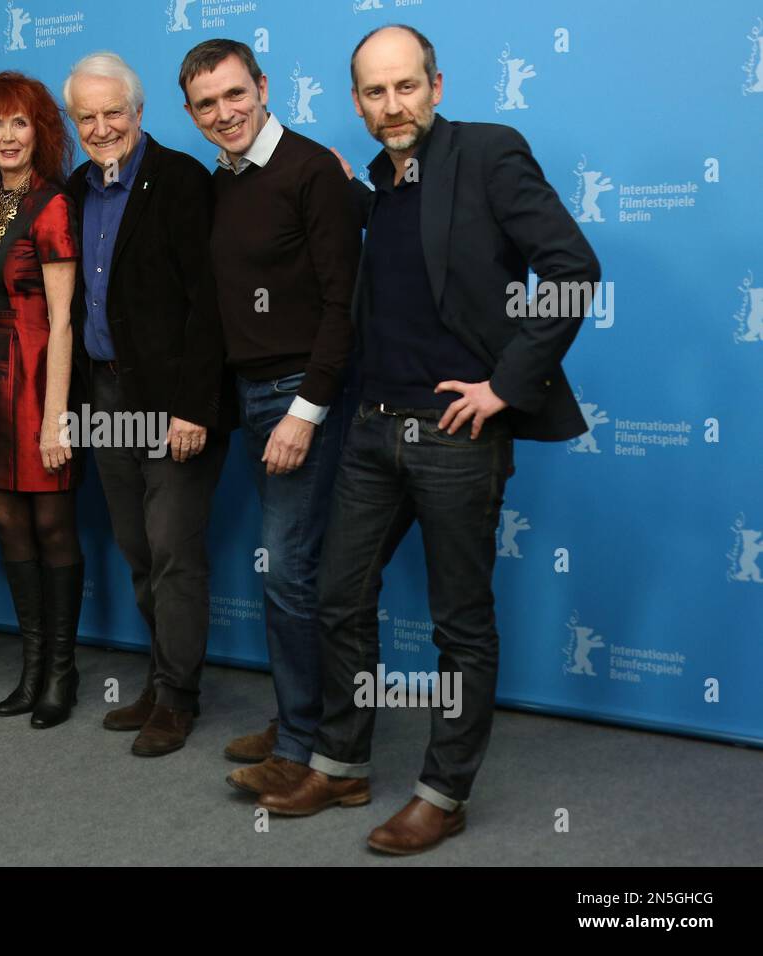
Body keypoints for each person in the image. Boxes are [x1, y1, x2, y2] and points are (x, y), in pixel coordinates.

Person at [254, 25, 600, 855]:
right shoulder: (379, 182)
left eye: (405, 87)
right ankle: (339, 763)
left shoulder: (487, 153)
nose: (390, 105)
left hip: (454, 438)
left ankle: (442, 793)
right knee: (338, 598)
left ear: (436, 86)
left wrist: (505, 388)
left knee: (460, 628)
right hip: (371, 431)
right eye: (374, 93)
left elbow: (571, 268)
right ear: (356, 102)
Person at [179, 40, 364, 787]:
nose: (224, 113)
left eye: (234, 95)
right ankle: (300, 718)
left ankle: (305, 751)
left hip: (302, 397)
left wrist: (305, 410)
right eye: (205, 104)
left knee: (291, 570)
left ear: (262, 87)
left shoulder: (312, 169)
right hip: (250, 395)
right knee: (287, 572)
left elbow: (342, 303)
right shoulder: (224, 182)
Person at [62, 53, 229, 756]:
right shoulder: (74, 189)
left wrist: (194, 406)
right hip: (105, 394)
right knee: (136, 546)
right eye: (87, 117)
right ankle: (161, 679)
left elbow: (210, 304)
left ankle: (179, 699)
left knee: (173, 551)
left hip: (173, 402)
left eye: (113, 113)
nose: (102, 127)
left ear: (139, 112)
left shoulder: (184, 181)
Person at [0, 71, 84, 729]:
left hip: (37, 379)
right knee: (8, 523)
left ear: (41, 132)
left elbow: (62, 320)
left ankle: (61, 671)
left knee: (52, 525)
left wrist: (57, 416)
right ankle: (32, 668)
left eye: (20, 123)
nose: (7, 136)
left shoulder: (52, 205)